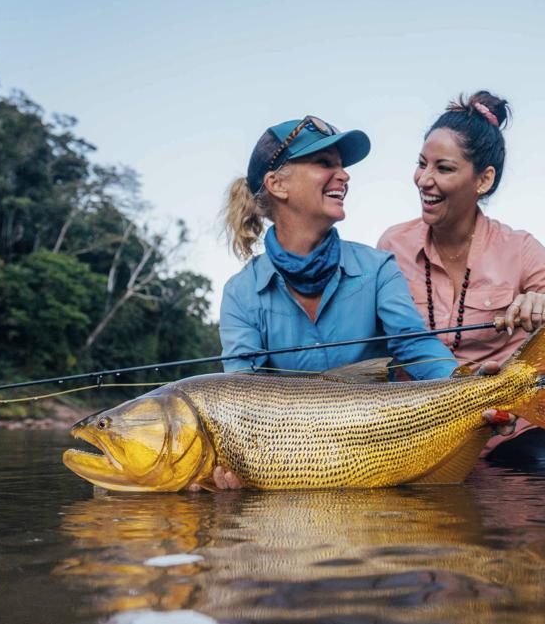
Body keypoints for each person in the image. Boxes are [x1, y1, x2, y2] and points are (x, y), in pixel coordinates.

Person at [201, 114, 501, 491]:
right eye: (324, 164)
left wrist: (471, 386)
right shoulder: (240, 294)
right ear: (277, 184)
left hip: (382, 456)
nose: (343, 176)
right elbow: (241, 394)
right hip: (288, 465)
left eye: (342, 167)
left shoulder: (378, 269)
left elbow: (415, 346)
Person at [377, 91, 545, 464]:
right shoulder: (392, 244)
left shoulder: (518, 248)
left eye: (444, 169)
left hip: (514, 431)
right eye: (422, 164)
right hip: (424, 435)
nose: (424, 179)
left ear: (483, 180)